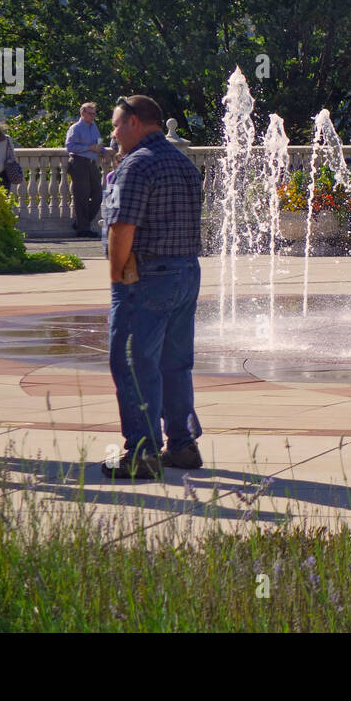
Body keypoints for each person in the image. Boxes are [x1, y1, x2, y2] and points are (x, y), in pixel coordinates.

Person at [100, 94, 204, 479]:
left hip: (146, 277)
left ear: (135, 123)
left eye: (115, 124)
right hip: (186, 273)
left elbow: (122, 227)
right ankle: (182, 443)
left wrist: (116, 278)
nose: (112, 133)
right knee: (175, 363)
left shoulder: (137, 165)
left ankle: (142, 452)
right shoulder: (183, 163)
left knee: (132, 362)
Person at [66, 102, 106, 237]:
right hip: (79, 162)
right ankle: (83, 228)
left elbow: (99, 141)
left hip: (92, 163)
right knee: (82, 196)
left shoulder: (94, 126)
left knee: (97, 195)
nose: (93, 116)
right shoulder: (75, 128)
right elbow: (70, 146)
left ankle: (81, 222)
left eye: (94, 113)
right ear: (82, 113)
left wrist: (103, 150)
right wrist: (88, 148)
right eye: (90, 113)